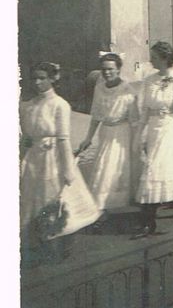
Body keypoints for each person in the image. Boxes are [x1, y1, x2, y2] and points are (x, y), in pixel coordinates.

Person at [20, 62, 100, 259]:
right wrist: (21, 158)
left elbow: (63, 139)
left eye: (42, 78)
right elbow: (26, 138)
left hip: (53, 159)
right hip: (34, 160)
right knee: (33, 199)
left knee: (57, 199)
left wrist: (68, 169)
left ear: (52, 79)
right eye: (35, 78)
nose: (37, 82)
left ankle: (62, 243)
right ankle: (41, 240)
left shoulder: (60, 105)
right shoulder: (28, 106)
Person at [134, 41, 173, 237]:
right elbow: (144, 110)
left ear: (163, 58)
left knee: (157, 171)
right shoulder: (148, 80)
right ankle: (150, 217)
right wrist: (139, 134)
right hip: (153, 129)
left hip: (170, 130)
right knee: (152, 170)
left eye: (153, 56)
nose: (150, 59)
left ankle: (148, 221)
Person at [76, 52, 137, 215]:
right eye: (104, 70)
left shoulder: (128, 91)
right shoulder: (99, 88)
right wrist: (88, 138)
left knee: (113, 168)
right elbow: (96, 115)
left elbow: (134, 120)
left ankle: (109, 205)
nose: (107, 73)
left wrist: (136, 141)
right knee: (102, 165)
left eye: (111, 69)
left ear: (119, 69)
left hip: (121, 134)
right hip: (105, 133)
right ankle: (103, 205)